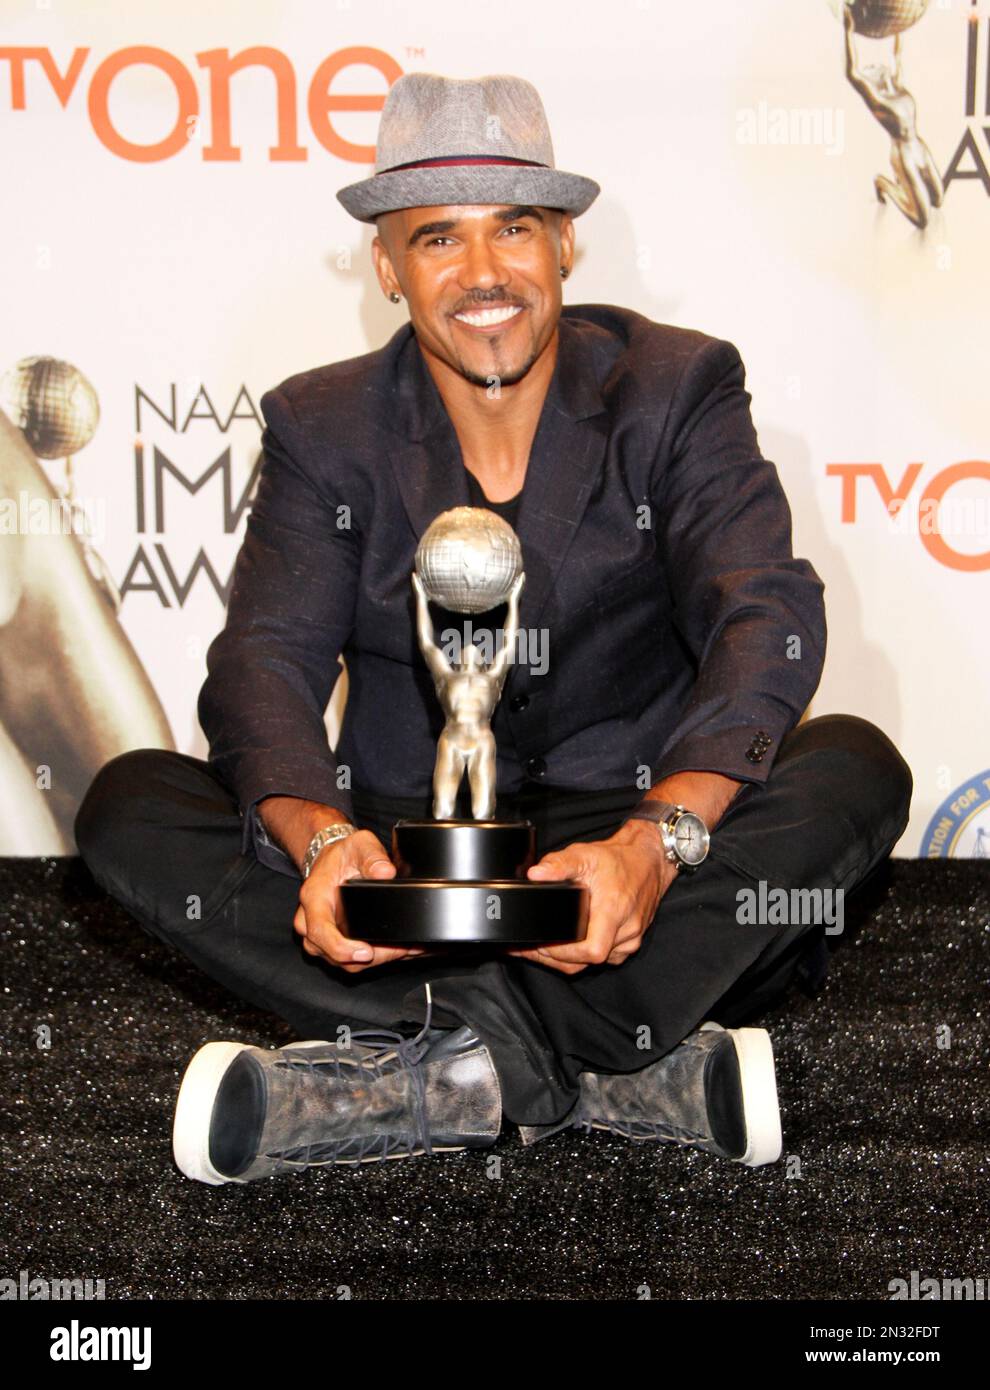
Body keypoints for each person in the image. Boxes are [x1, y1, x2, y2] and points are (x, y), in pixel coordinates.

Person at [74, 72, 912, 1186]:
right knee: (131, 800)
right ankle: (611, 1058)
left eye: (513, 226)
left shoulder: (676, 388)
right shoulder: (322, 424)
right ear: (387, 266)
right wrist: (326, 847)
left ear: (566, 242)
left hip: (627, 859)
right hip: (407, 868)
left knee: (854, 765)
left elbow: (767, 615)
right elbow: (261, 670)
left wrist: (652, 850)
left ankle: (432, 1067)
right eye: (437, 238)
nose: (483, 275)